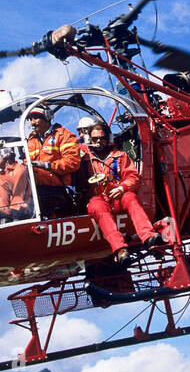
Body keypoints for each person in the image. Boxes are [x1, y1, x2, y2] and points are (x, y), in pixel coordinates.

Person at [78, 117, 165, 260]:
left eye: (102, 138)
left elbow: (133, 177)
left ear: (109, 138)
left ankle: (148, 236)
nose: (99, 142)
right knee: (98, 207)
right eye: (95, 139)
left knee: (130, 197)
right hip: (98, 198)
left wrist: (122, 188)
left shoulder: (120, 156)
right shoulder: (85, 158)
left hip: (117, 195)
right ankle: (120, 249)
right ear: (89, 139)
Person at [24, 107, 83, 207]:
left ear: (47, 117)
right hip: (36, 185)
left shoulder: (65, 135)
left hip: (58, 185)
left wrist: (47, 165)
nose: (32, 123)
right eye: (30, 119)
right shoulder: (31, 139)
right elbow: (26, 163)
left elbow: (73, 162)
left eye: (36, 118)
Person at [0, 146, 31, 221]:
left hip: (20, 217)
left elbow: (19, 199)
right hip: (5, 219)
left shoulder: (20, 170)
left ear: (5, 153)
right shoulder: (0, 177)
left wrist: (15, 217)